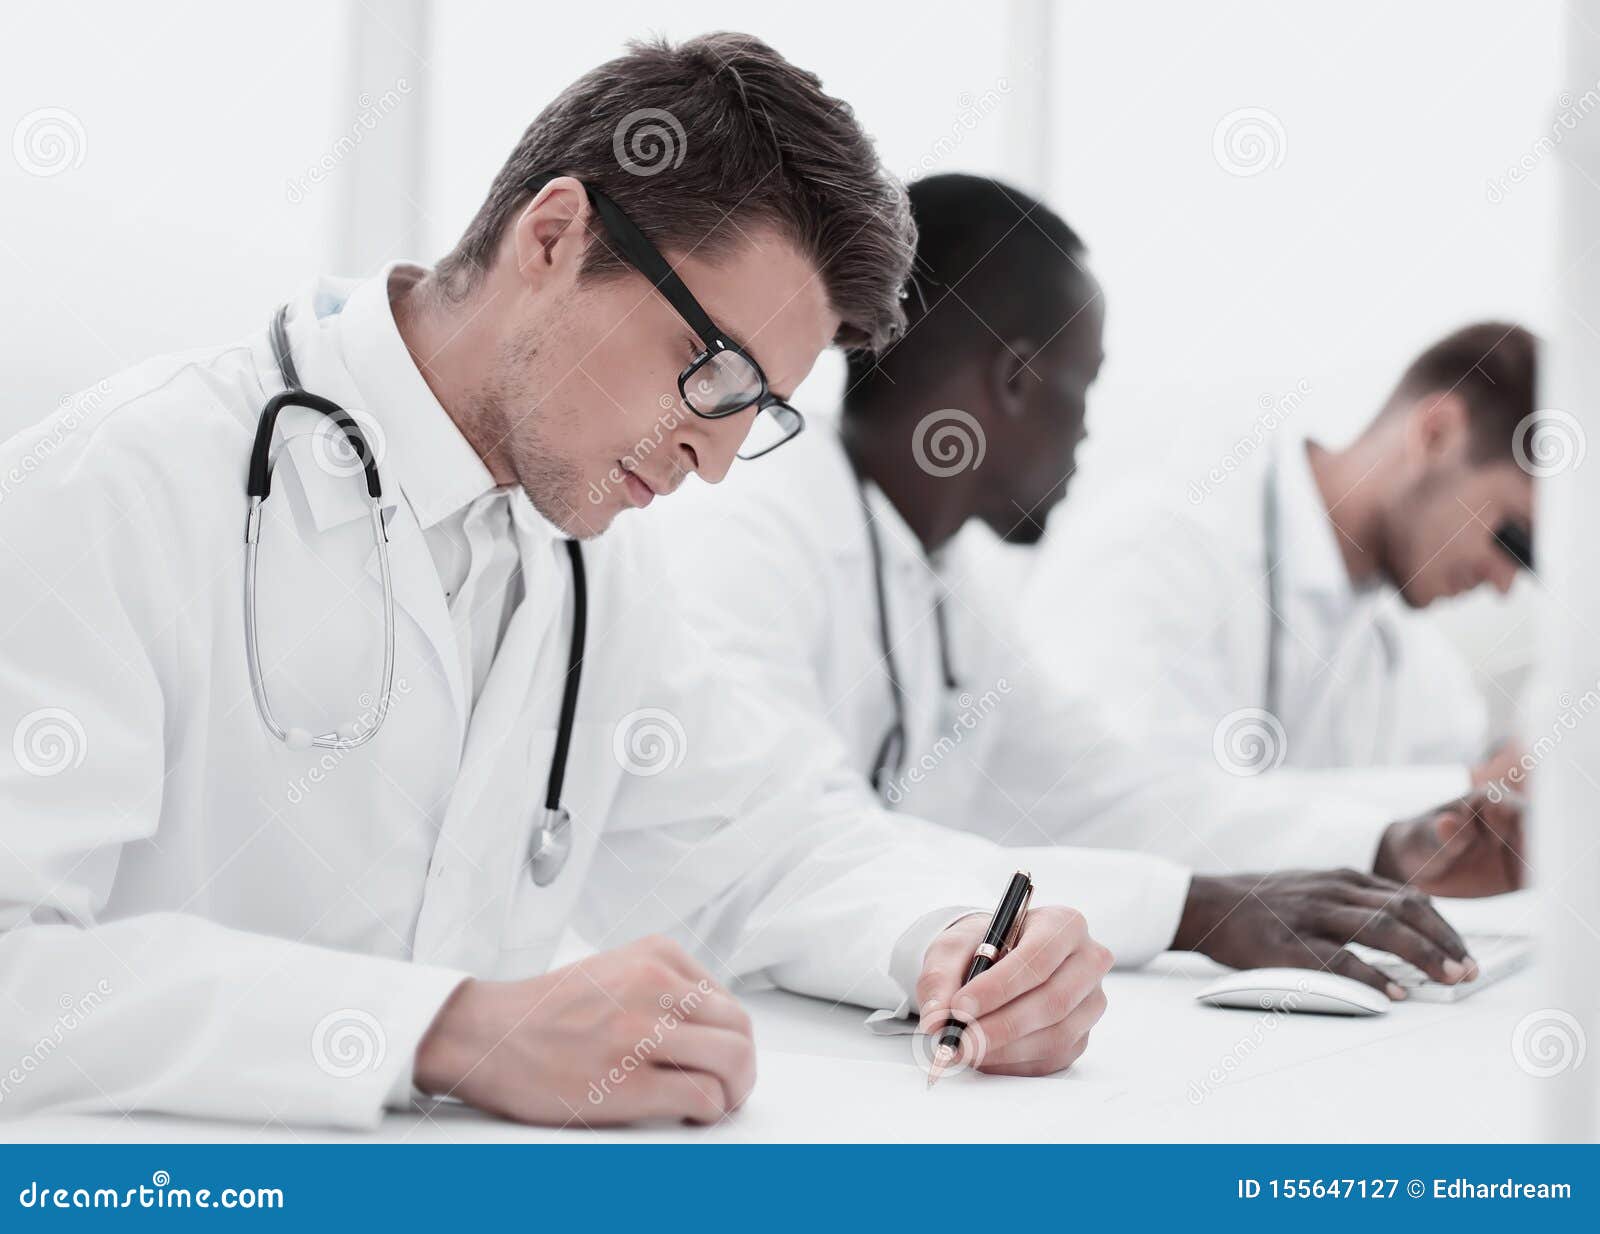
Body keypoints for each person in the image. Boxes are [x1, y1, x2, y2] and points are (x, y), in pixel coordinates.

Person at [0, 37, 1113, 1131]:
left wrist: (952, 936)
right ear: (553, 237)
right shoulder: (114, 484)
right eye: (714, 372)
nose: (715, 459)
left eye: (761, 410)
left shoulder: (585, 559)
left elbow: (764, 837)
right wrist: (442, 1028)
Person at [654, 173, 1525, 999]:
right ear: (1016, 382)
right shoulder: (748, 536)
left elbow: (1111, 795)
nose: (1086, 435)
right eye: (1085, 388)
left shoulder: (949, 588)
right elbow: (798, 854)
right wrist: (1193, 912)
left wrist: (1386, 843)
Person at [1023, 321, 1536, 811]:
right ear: (1436, 434)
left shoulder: (1419, 664)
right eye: (1513, 536)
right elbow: (1144, 817)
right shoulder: (1155, 549)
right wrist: (1464, 790)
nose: (1506, 582)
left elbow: (1471, 819)